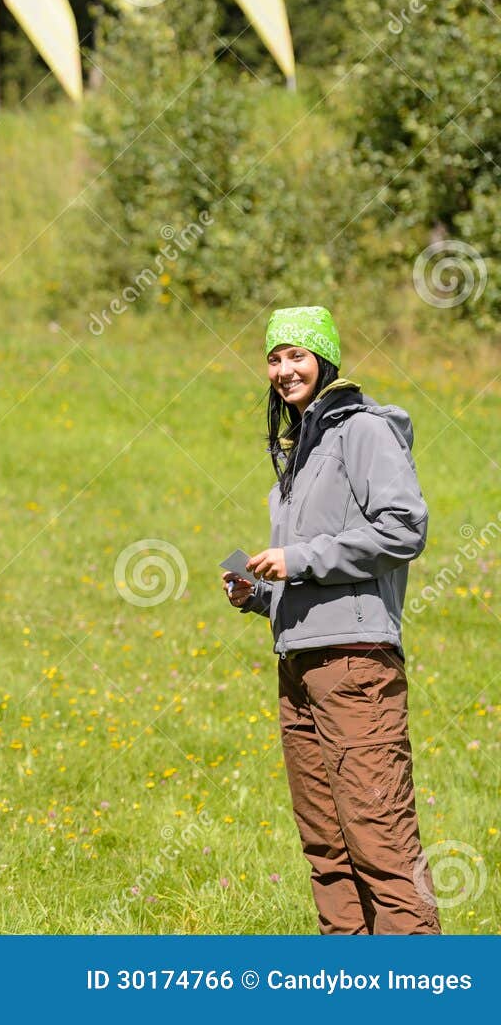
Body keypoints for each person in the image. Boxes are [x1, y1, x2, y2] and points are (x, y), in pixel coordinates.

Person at [224, 305, 440, 935]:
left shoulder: (364, 430)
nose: (283, 369)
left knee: (381, 841)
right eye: (274, 358)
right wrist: (261, 594)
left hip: (355, 664)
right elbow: (317, 570)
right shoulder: (301, 452)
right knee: (326, 848)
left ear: (325, 359)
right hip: (299, 665)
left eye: (297, 354)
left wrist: (299, 558)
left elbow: (403, 529)